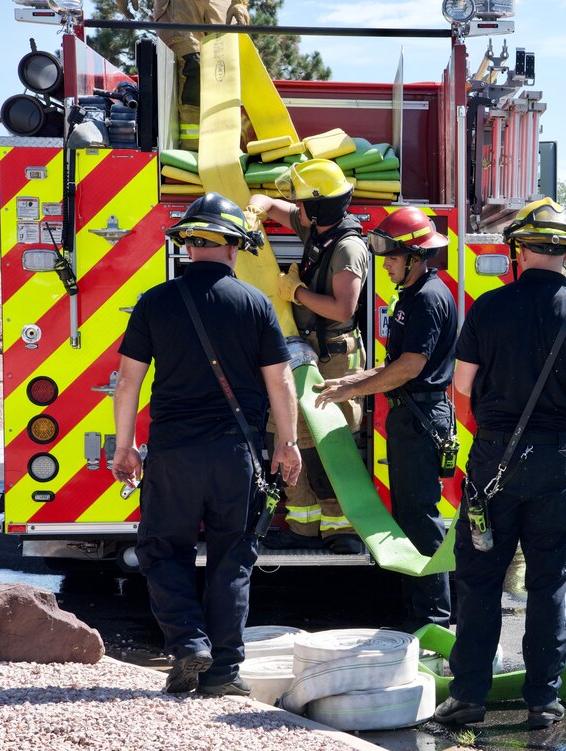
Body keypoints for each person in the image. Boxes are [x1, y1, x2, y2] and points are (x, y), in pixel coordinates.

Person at [432, 198, 566, 730]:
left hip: (495, 459)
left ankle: (469, 696)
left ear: (518, 250)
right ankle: (543, 700)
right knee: (548, 585)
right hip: (558, 462)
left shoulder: (488, 308)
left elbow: (461, 386)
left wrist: (494, 429)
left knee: (479, 581)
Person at [111, 192, 301, 695]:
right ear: (236, 247)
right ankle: (223, 673)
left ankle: (189, 641)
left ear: (187, 245)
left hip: (173, 455)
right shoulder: (256, 305)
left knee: (161, 549)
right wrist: (289, 443)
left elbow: (127, 382)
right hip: (235, 458)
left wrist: (124, 447)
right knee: (232, 556)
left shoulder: (155, 302)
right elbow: (281, 382)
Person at [314, 207, 457, 632]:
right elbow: (392, 365)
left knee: (421, 519)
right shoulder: (412, 296)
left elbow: (410, 366)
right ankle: (418, 616)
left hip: (420, 418)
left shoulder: (429, 298)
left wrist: (352, 389)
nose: (386, 263)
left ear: (415, 256)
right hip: (410, 419)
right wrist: (349, 380)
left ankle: (434, 621)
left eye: (393, 256)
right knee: (410, 519)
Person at [246, 159, 368, 554]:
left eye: (301, 203)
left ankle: (341, 530)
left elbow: (342, 309)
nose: (295, 209)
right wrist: (255, 209)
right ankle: (302, 525)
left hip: (334, 355)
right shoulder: (316, 227)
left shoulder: (347, 246)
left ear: (317, 207)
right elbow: (268, 202)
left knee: (331, 441)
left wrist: (294, 293)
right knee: (288, 433)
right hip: (305, 348)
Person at [119, 0, 251, 151]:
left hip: (220, 6)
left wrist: (239, 3)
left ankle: (223, 151)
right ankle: (192, 151)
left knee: (223, 73)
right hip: (180, 7)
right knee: (194, 67)